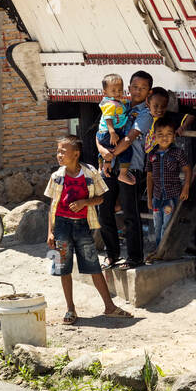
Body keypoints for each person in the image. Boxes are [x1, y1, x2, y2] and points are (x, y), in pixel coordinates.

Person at [44, 135, 132, 324]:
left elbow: (101, 198)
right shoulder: (56, 177)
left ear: (76, 154)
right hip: (61, 227)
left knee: (93, 266)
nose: (59, 155)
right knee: (63, 268)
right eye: (58, 151)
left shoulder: (90, 173)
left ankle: (110, 307)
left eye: (63, 151)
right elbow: (52, 205)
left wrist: (85, 202)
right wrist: (50, 232)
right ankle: (70, 309)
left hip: (82, 226)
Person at [97, 69, 153, 268]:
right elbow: (101, 130)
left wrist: (110, 155)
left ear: (149, 92)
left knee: (130, 213)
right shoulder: (118, 105)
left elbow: (129, 139)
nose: (138, 91)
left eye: (143, 88)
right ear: (128, 88)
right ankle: (111, 254)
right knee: (104, 211)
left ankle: (135, 258)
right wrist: (102, 151)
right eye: (135, 87)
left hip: (131, 168)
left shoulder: (146, 113)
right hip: (109, 165)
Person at [146, 116, 191, 251]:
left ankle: (164, 250)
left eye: (168, 134)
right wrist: (149, 198)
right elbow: (149, 177)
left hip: (172, 196)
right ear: (154, 136)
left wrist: (186, 187)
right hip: (157, 196)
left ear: (174, 136)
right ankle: (159, 249)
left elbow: (188, 170)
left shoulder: (177, 153)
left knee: (167, 225)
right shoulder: (151, 154)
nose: (164, 138)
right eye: (160, 134)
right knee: (157, 225)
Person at [96, 72, 133, 184]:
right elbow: (108, 118)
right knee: (126, 150)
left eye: (120, 90)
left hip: (104, 133)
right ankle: (123, 174)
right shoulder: (109, 104)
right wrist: (112, 132)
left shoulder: (116, 101)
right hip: (109, 132)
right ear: (105, 92)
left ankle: (100, 167)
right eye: (113, 91)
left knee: (106, 148)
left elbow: (126, 104)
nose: (117, 93)